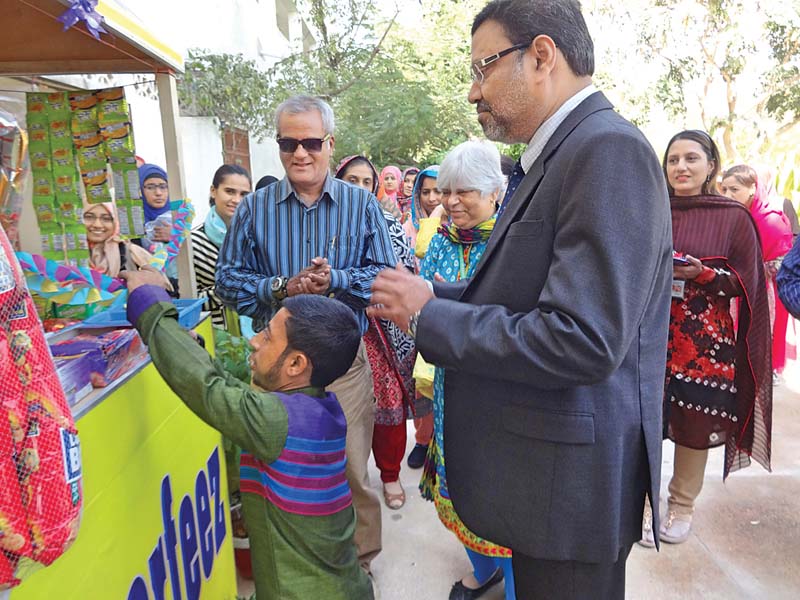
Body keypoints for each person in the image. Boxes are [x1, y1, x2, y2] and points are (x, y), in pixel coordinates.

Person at [368, 1, 673, 597]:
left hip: (571, 492)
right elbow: (525, 292)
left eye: (483, 68)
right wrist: (436, 292)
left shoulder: (605, 151)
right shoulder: (558, 154)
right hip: (549, 484)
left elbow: (582, 339)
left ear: (541, 56)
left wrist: (429, 315)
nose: (474, 92)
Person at [215, 95, 396, 571]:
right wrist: (281, 287)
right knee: (273, 470)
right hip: (276, 367)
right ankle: (288, 566)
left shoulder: (361, 205)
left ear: (329, 144)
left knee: (353, 470)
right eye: (288, 143)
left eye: (311, 142)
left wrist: (336, 279)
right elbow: (227, 281)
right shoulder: (254, 209)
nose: (300, 153)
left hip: (342, 363)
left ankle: (359, 567)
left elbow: (384, 276)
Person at [119, 269, 374, 600]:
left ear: (296, 364)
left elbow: (207, 389)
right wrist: (191, 347)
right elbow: (240, 396)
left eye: (267, 337)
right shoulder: (323, 410)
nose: (254, 340)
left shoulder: (275, 421)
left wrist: (149, 301)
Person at [640, 131, 771, 547]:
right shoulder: (648, 208)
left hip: (704, 345)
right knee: (643, 421)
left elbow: (746, 283)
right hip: (648, 334)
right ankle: (644, 503)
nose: (681, 167)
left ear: (711, 165)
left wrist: (705, 275)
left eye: (691, 158)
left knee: (693, 423)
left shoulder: (732, 216)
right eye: (673, 159)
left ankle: (681, 505)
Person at [417, 140, 515, 600]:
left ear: (496, 191)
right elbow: (424, 303)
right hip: (447, 386)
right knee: (453, 487)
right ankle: (486, 572)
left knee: (501, 499)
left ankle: (516, 585)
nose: (450, 202)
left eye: (464, 192)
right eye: (445, 191)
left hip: (499, 394)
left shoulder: (514, 247)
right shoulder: (441, 240)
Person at [335, 155, 419, 509]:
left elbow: (404, 274)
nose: (357, 189)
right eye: (349, 181)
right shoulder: (321, 225)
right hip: (337, 328)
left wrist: (374, 298)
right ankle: (348, 483)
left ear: (374, 187)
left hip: (381, 332)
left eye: (364, 182)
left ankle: (389, 474)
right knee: (342, 410)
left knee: (388, 404)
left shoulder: (390, 224)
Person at [720, 164, 792, 380]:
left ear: (752, 188)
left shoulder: (771, 221)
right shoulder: (736, 216)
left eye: (734, 189)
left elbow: (781, 264)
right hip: (737, 288)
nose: (728, 195)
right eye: (724, 189)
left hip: (765, 293)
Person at [191, 164, 252, 328]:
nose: (237, 200)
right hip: (217, 337)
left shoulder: (256, 238)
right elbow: (188, 302)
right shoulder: (194, 242)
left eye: (244, 194)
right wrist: (228, 287)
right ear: (213, 191)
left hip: (257, 333)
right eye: (230, 191)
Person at [84, 202, 163, 279]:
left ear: (115, 222)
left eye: (106, 219)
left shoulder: (133, 253)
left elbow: (161, 284)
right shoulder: (72, 255)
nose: (97, 225)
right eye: (89, 217)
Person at [137, 163, 178, 291]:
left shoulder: (177, 217)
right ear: (139, 190)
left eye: (163, 187)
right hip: (150, 288)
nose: (158, 193)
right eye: (150, 187)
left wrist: (176, 236)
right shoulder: (133, 223)